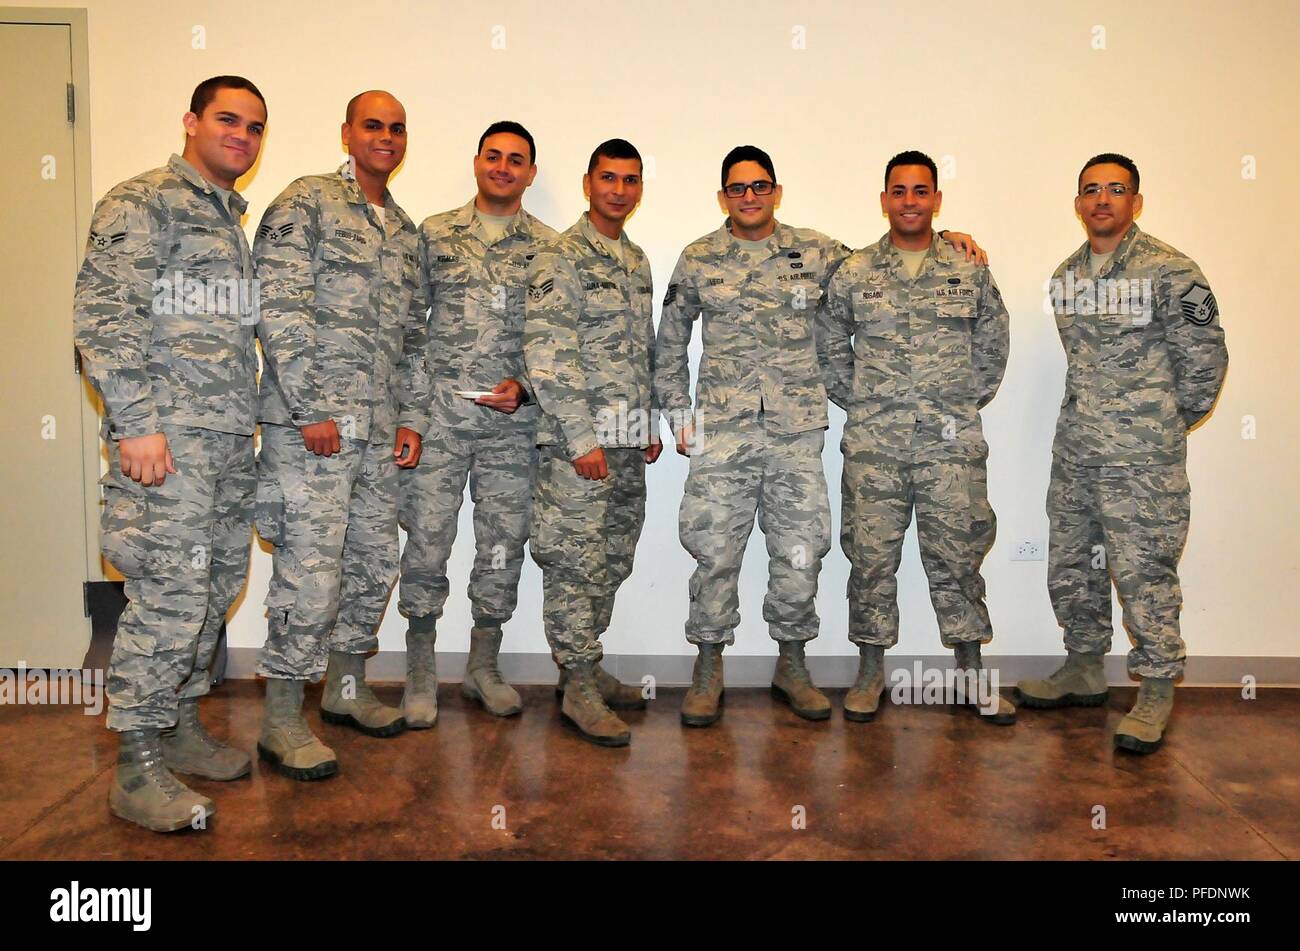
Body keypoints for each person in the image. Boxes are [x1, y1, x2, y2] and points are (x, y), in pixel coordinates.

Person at [74, 76, 267, 831]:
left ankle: (182, 725)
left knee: (213, 589)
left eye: (254, 127)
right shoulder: (143, 200)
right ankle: (136, 766)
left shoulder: (228, 222)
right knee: (166, 600)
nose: (241, 136)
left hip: (222, 446)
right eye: (228, 119)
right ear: (190, 121)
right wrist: (134, 421)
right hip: (165, 446)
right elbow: (104, 313)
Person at [1017, 153, 1228, 754]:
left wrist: (1159, 425)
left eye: (1115, 189)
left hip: (1142, 457)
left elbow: (1205, 361)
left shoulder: (1171, 270)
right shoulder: (1067, 276)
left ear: (1137, 201)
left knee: (1144, 568)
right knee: (1073, 561)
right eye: (1090, 190)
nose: (1101, 200)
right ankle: (1084, 664)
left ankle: (1157, 686)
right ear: (1078, 203)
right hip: (1078, 447)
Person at [252, 90, 429, 779]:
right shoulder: (308, 203)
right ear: (348, 133)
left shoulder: (405, 230)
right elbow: (280, 306)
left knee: (370, 563)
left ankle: (347, 688)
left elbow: (415, 335)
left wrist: (412, 415)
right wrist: (308, 408)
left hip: (380, 435)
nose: (385, 137)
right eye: (373, 126)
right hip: (314, 433)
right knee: (309, 573)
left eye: (397, 128)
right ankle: (281, 719)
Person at [819, 150, 1014, 725]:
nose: (910, 201)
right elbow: (830, 349)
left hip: (950, 448)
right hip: (875, 446)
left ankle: (972, 672)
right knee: (871, 558)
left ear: (936, 199)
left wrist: (955, 405)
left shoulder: (967, 267)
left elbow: (993, 345)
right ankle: (871, 671)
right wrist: (866, 404)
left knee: (959, 554)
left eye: (921, 191)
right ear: (884, 200)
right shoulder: (854, 272)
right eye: (899, 191)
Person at [397, 121, 558, 726]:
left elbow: (555, 337)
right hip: (440, 420)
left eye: (517, 160)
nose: (504, 167)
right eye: (494, 156)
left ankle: (483, 667)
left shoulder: (549, 247)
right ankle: (419, 672)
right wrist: (411, 416)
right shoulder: (436, 234)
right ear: (476, 162)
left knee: (501, 545)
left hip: (511, 428)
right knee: (428, 539)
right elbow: (412, 331)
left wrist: (529, 387)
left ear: (531, 174)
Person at [523, 138, 661, 747]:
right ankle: (577, 683)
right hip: (579, 446)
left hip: (626, 442)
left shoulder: (634, 260)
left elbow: (641, 351)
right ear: (587, 183)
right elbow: (548, 355)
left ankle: (586, 668)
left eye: (630, 180)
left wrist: (646, 424)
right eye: (608, 178)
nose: (619, 190)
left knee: (610, 557)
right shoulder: (561, 257)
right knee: (574, 560)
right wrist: (581, 439)